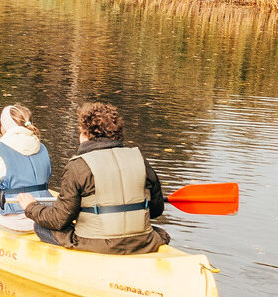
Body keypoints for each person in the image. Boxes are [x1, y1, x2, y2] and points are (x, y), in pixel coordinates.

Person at [24, 101, 171, 254]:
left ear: (86, 134)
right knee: (157, 230)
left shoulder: (77, 166)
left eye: (81, 132)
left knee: (40, 226)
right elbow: (155, 210)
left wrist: (31, 207)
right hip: (143, 241)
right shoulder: (140, 159)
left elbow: (59, 220)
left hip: (99, 245)